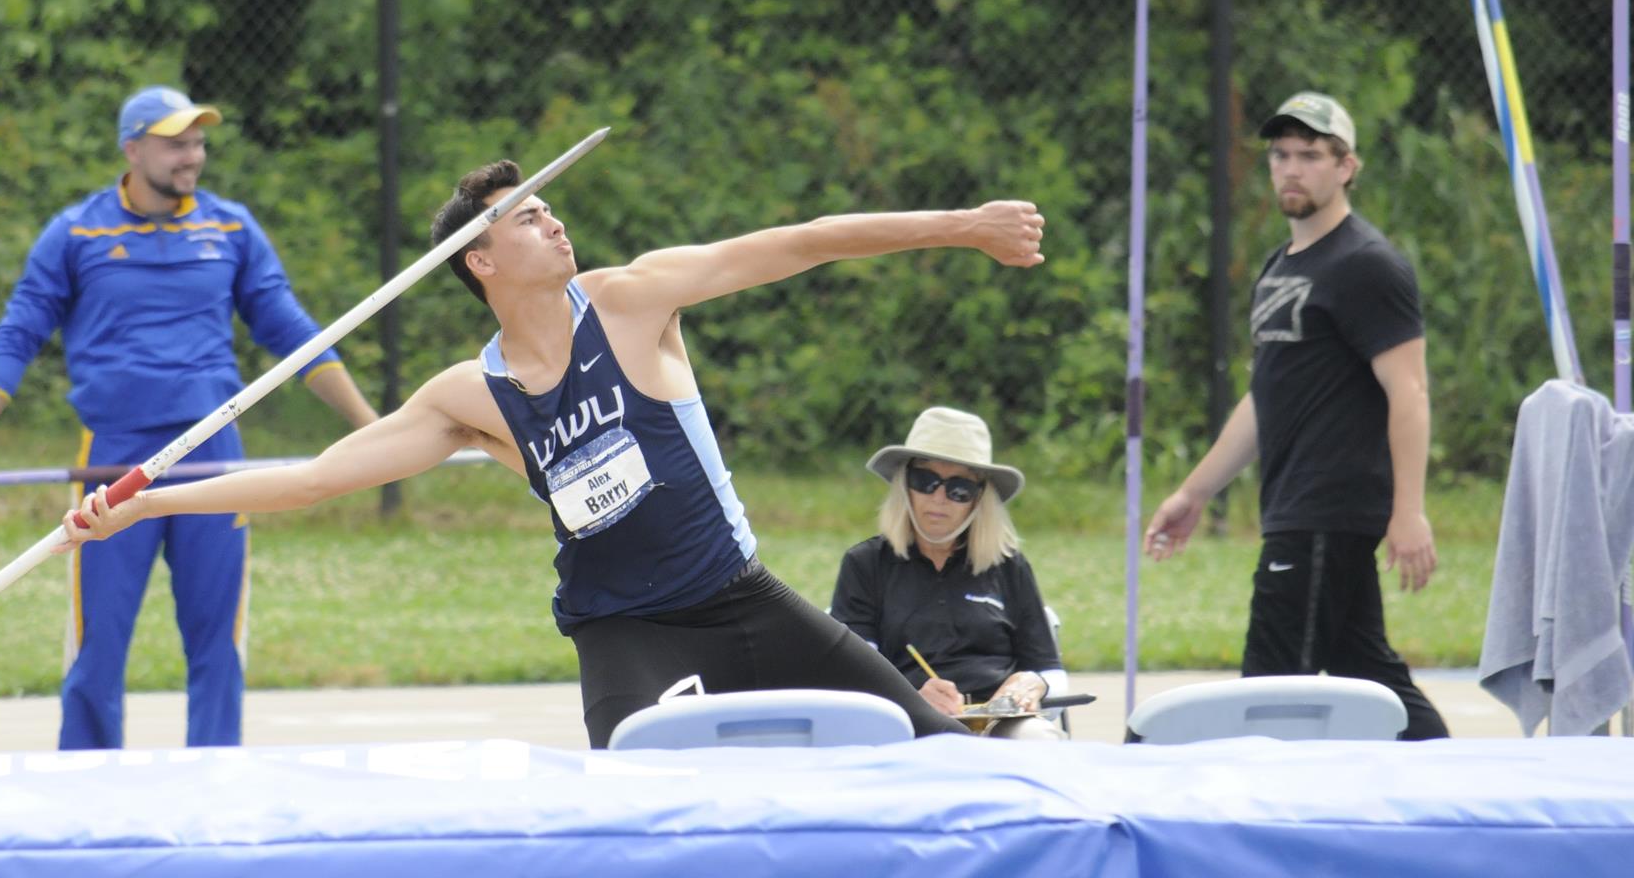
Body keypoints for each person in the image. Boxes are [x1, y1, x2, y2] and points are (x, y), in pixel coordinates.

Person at [60, 156, 1047, 747]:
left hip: (740, 595)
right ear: (480, 262)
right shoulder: (467, 395)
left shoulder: (629, 299)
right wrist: (145, 500)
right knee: (622, 804)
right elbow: (316, 478)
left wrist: (960, 227)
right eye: (525, 214)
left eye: (546, 202)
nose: (551, 215)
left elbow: (800, 241)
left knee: (930, 748)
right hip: (624, 629)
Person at [0, 85, 381, 750]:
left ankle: (214, 778)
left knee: (217, 641)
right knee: (98, 645)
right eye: (177, 143)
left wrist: (370, 426)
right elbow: (17, 334)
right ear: (132, 148)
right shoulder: (77, 232)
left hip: (213, 453)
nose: (193, 156)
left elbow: (293, 332)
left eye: (198, 142)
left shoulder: (230, 228)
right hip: (113, 457)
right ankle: (88, 780)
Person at [1143, 91, 1448, 739]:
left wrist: (1409, 510)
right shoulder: (1282, 266)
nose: (1291, 168)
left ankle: (1253, 824)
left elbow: (1410, 392)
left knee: (1269, 695)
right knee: (1368, 672)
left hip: (1326, 511)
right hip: (1295, 510)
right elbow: (1266, 396)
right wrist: (1194, 492)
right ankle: (1453, 781)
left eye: (1310, 154)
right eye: (1280, 154)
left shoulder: (1367, 264)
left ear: (1346, 167)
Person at [830, 407, 1066, 741]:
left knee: (1039, 740)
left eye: (959, 489)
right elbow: (852, 675)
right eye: (925, 481)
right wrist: (911, 695)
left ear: (979, 498)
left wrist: (1034, 683)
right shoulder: (865, 564)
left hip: (1000, 723)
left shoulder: (1009, 566)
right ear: (905, 486)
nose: (939, 499)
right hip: (904, 721)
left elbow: (1049, 669)